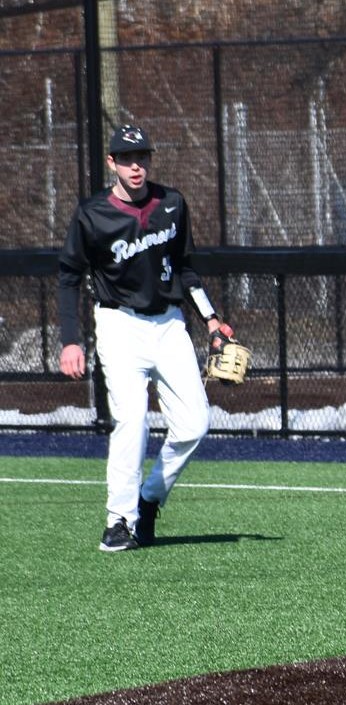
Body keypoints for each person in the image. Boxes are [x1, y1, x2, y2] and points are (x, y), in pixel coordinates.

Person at [57, 124, 236, 552]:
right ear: (112, 163)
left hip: (169, 323)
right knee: (132, 420)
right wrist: (70, 339)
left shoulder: (171, 204)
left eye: (142, 158)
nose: (136, 166)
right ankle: (119, 521)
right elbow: (68, 276)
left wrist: (211, 320)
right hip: (119, 325)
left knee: (195, 424)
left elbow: (185, 268)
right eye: (126, 158)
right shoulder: (92, 214)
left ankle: (150, 498)